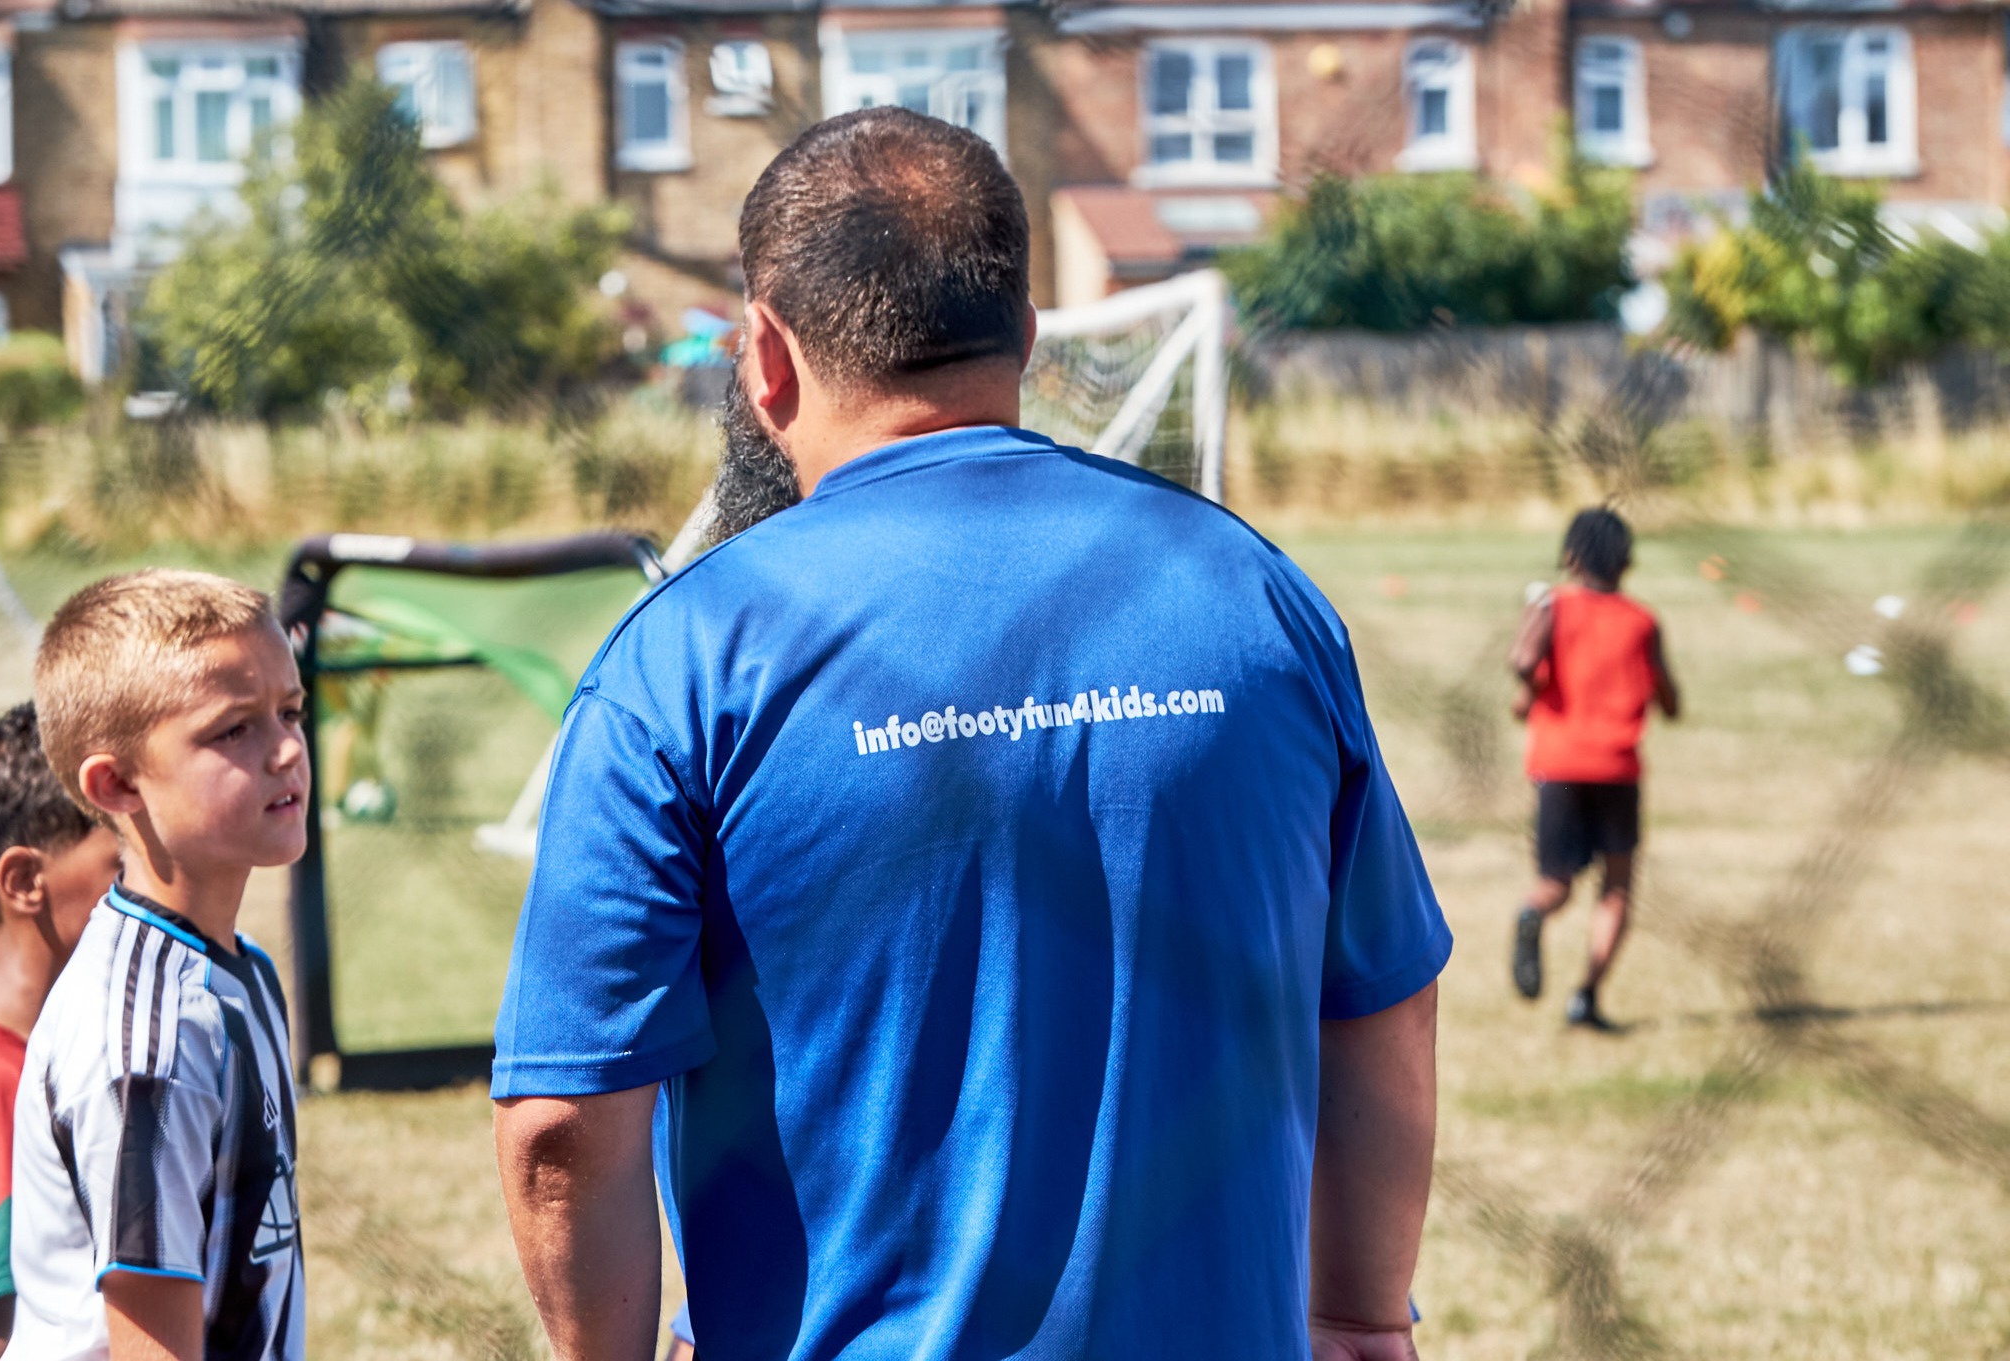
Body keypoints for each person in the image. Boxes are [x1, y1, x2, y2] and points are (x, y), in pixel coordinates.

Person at [490, 108, 1450, 1361]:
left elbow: (563, 1121)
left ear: (765, 356)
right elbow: (1382, 1000)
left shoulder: (687, 654)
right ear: (1031, 338)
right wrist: (1361, 1317)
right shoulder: (1253, 594)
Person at [8, 570, 309, 1361]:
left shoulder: (241, 971)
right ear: (117, 782)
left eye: (290, 711)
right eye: (233, 730)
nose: (286, 749)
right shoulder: (149, 1040)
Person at [0, 703, 124, 1361]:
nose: (145, 894)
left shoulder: (74, 1052)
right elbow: (3, 1333)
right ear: (25, 882)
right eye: (121, 869)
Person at [1508, 507, 1679, 1032]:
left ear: (1570, 556)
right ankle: (1586, 996)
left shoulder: (1554, 608)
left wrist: (1529, 691)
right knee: (1617, 884)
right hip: (1616, 768)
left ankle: (1534, 910)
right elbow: (1669, 699)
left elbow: (1524, 676)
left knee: (1556, 881)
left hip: (1557, 764)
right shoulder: (1641, 621)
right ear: (1626, 561)